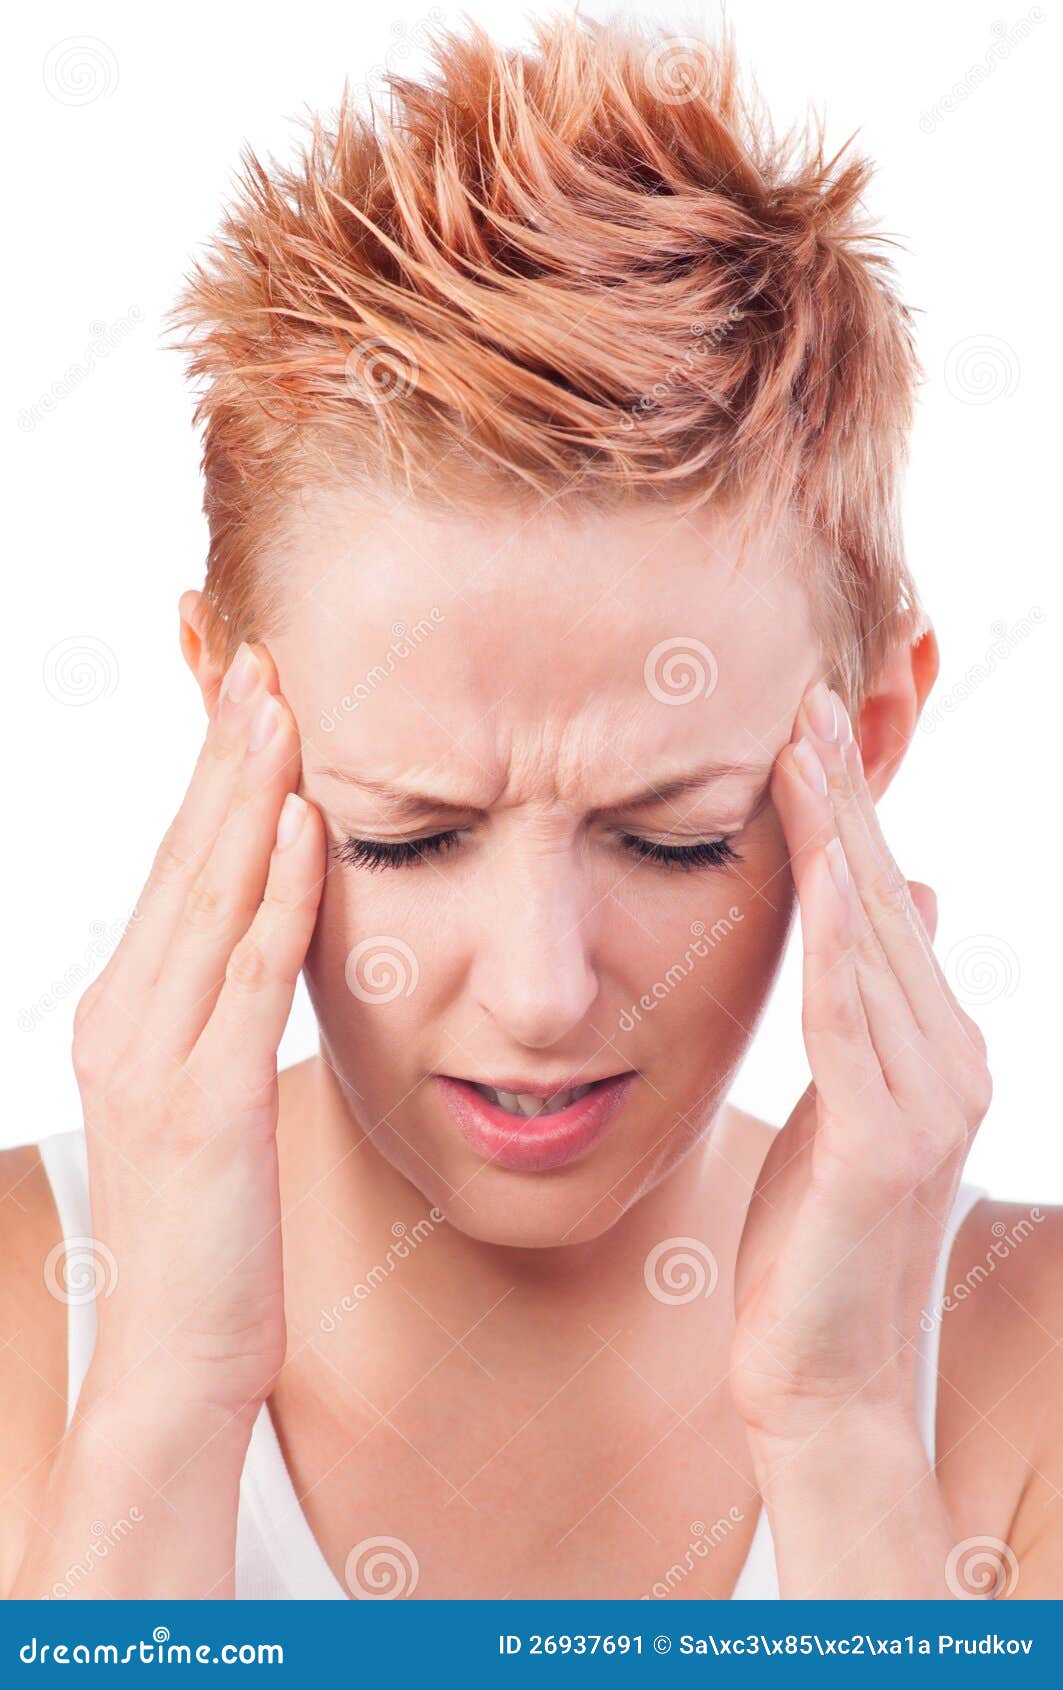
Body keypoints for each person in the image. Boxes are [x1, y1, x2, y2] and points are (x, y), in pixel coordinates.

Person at [4, 13, 1060, 1601]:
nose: (542, 988)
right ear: (234, 718)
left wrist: (844, 1433)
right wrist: (159, 1402)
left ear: (875, 733)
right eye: (411, 832)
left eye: (670, 833)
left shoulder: (1028, 1364)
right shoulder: (31, 1313)